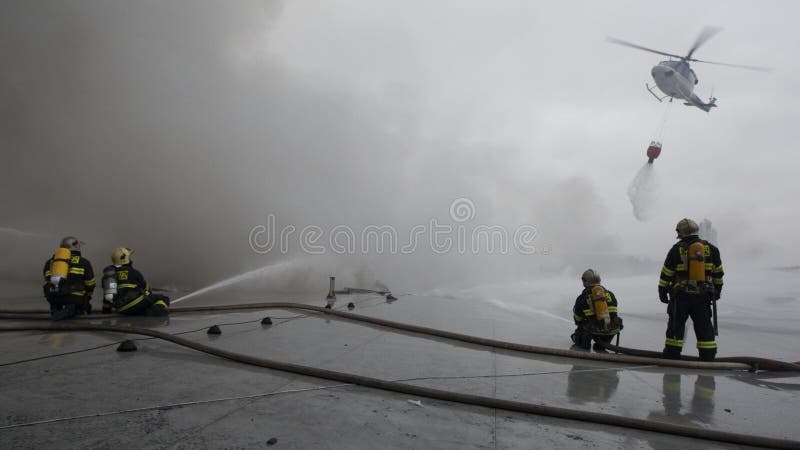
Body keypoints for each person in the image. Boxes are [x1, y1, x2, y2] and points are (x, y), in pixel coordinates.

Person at [658, 218, 724, 361]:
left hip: (681, 296)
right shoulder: (712, 249)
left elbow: (666, 273)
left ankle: (672, 354)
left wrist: (662, 291)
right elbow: (718, 273)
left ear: (680, 233)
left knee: (676, 325)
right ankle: (708, 355)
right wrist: (717, 290)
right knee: (704, 326)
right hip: (703, 296)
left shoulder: (676, 249)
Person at [102, 247, 169, 316]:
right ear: (126, 259)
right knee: (163, 298)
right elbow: (147, 291)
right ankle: (154, 312)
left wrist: (106, 311)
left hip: (121, 309)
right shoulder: (134, 272)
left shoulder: (110, 274)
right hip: (135, 303)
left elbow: (107, 296)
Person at [42, 236, 95, 320]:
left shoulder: (51, 261)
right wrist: (87, 298)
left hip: (54, 297)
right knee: (82, 305)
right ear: (75, 246)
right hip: (75, 299)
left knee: (50, 288)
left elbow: (48, 278)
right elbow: (90, 284)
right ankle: (73, 309)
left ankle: (55, 308)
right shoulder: (84, 262)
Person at [571, 269, 623, 351]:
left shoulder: (583, 297)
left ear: (585, 281)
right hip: (611, 330)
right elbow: (613, 314)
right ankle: (601, 345)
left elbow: (578, 319)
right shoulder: (610, 294)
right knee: (599, 348)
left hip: (592, 331)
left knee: (581, 342)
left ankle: (583, 343)